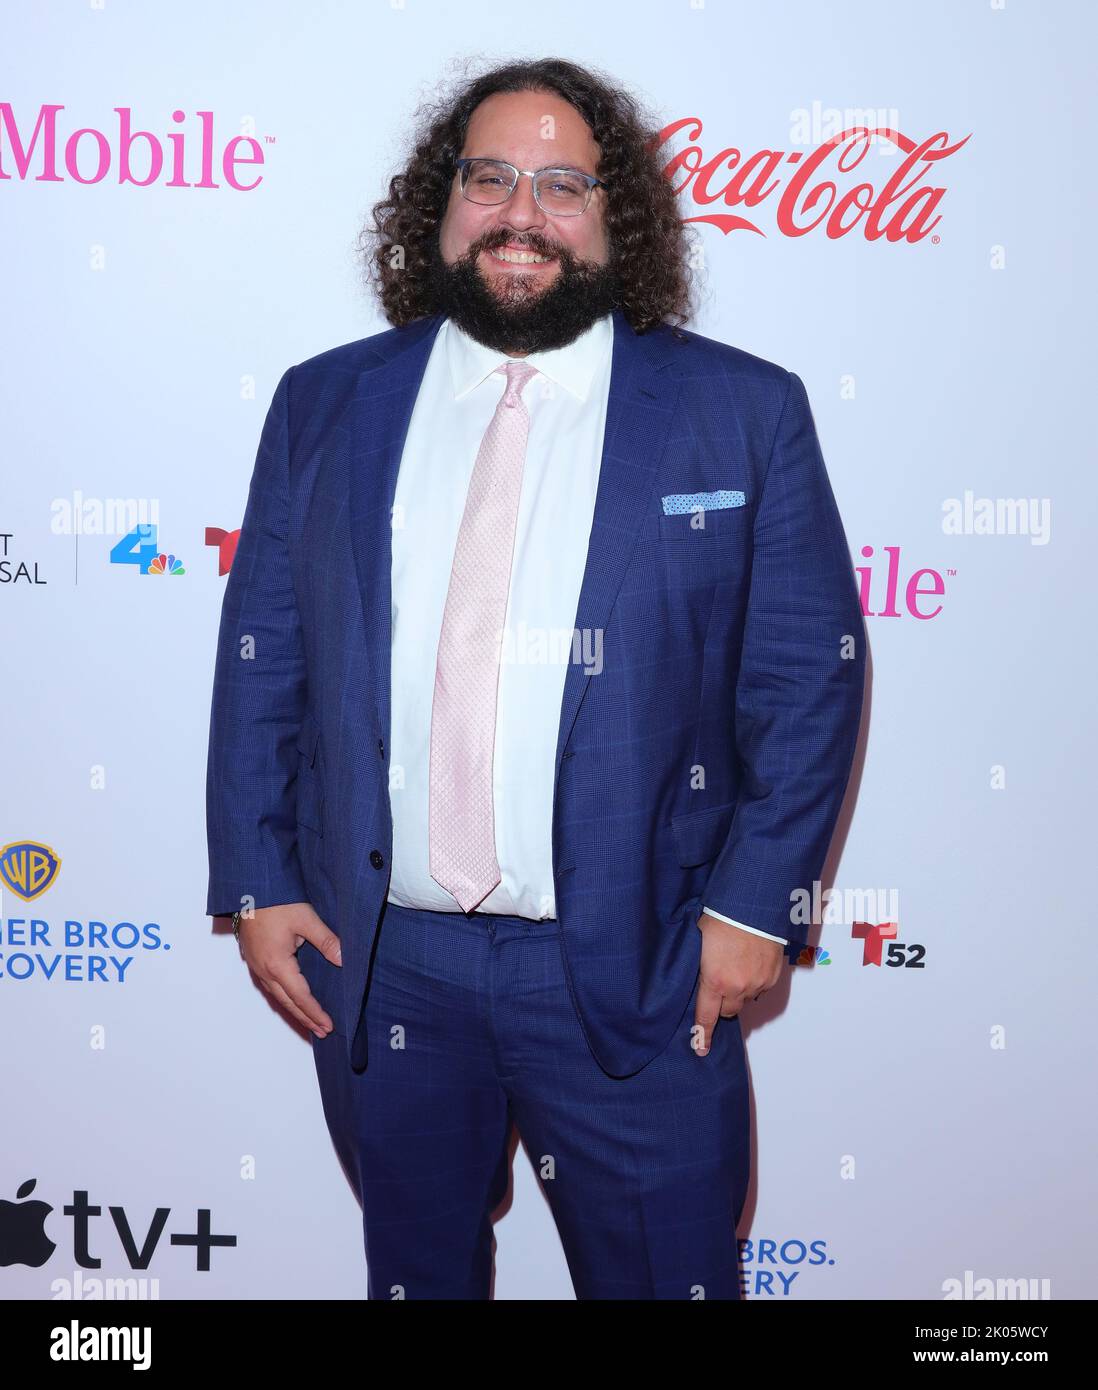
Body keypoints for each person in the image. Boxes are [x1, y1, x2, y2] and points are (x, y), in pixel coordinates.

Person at [205, 57, 866, 1301]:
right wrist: (255, 875)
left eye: (564, 185)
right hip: (385, 958)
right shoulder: (326, 403)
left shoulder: (742, 411)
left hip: (642, 964)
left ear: (621, 219)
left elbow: (805, 678)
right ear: (440, 202)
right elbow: (266, 657)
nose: (523, 213)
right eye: (490, 177)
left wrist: (754, 906)